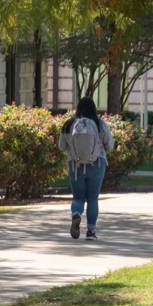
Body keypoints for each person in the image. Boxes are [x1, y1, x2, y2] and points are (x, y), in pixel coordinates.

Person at [58, 95, 115, 241]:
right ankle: (91, 232)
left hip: (75, 165)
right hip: (97, 164)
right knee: (92, 198)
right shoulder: (100, 124)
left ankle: (76, 213)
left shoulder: (68, 125)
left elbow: (61, 147)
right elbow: (109, 146)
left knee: (78, 197)